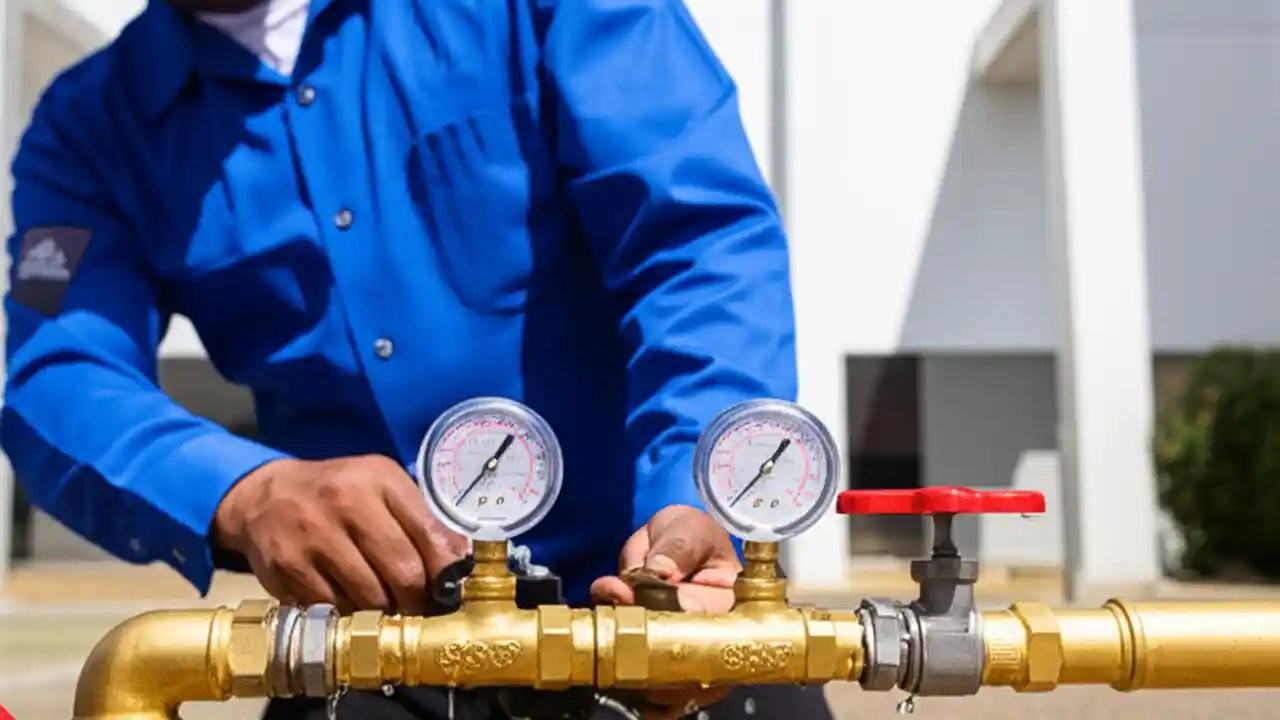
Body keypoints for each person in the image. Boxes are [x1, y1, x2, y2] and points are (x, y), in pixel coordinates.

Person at [2, 1, 833, 718]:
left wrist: (696, 505)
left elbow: (697, 245)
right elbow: (57, 374)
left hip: (651, 605)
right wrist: (241, 493)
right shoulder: (87, 129)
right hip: (370, 644)